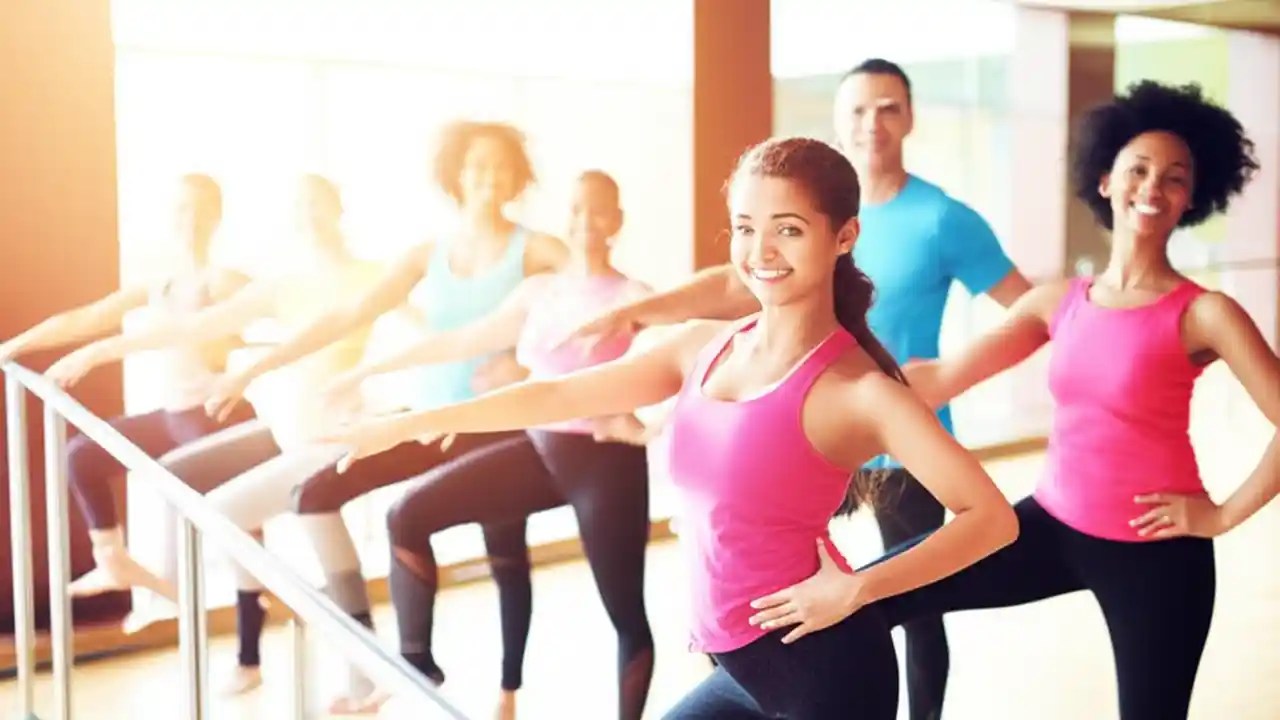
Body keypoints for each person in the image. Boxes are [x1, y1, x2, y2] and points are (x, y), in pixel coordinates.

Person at [321, 137, 1018, 719]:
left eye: (789, 228)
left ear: (844, 236)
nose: (762, 249)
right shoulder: (706, 347)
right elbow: (560, 393)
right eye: (746, 226)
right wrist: (418, 422)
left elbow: (989, 517)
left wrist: (859, 587)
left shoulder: (858, 390)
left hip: (823, 676)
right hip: (737, 666)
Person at [564, 59, 1032, 720]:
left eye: (888, 108)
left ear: (910, 118)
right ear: (839, 120)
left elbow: (1029, 310)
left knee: (914, 608)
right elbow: (739, 284)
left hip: (893, 439)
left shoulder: (941, 217)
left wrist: (951, 373)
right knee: (779, 572)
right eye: (859, 109)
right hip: (795, 429)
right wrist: (643, 312)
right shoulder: (801, 200)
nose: (873, 123)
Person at [877, 80, 1277, 720]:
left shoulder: (1206, 314)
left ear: (1191, 199)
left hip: (1157, 553)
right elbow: (941, 378)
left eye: (1174, 178)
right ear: (1105, 180)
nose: (1152, 187)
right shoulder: (1057, 303)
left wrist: (1223, 515)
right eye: (1139, 169)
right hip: (1049, 524)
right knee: (869, 594)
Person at [196, 120, 568, 711]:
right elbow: (349, 313)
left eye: (500, 167)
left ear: (517, 176)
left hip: (497, 423)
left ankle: (506, 690)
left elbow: (590, 313)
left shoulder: (540, 250)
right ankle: (383, 663)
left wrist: (522, 367)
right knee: (315, 492)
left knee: (506, 552)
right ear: (455, 175)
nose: (487, 179)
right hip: (426, 419)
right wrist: (253, 370)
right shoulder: (428, 253)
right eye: (475, 167)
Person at [318, 170, 653, 719]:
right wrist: (369, 369)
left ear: (616, 221)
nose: (585, 223)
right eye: (575, 210)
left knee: (625, 617)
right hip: (539, 452)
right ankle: (416, 664)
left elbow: (684, 368)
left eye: (598, 212)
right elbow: (460, 340)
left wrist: (643, 425)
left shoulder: (635, 297)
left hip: (605, 464)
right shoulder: (540, 291)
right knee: (407, 514)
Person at [86, 174, 383, 701]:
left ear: (339, 209)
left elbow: (429, 327)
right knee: (185, 486)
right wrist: (97, 352)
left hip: (334, 433)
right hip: (289, 429)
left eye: (317, 204)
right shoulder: (284, 283)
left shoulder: (371, 275)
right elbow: (197, 330)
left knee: (292, 522)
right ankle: (176, 592)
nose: (308, 215)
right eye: (299, 206)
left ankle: (356, 662)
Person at [0, 173, 256, 603]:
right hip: (173, 415)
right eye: (180, 210)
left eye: (198, 210)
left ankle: (247, 656)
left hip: (214, 416)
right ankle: (113, 561)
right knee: (83, 456)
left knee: (237, 528)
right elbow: (87, 318)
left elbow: (286, 314)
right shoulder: (158, 284)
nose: (187, 220)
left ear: (216, 217)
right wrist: (12, 346)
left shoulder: (224, 280)